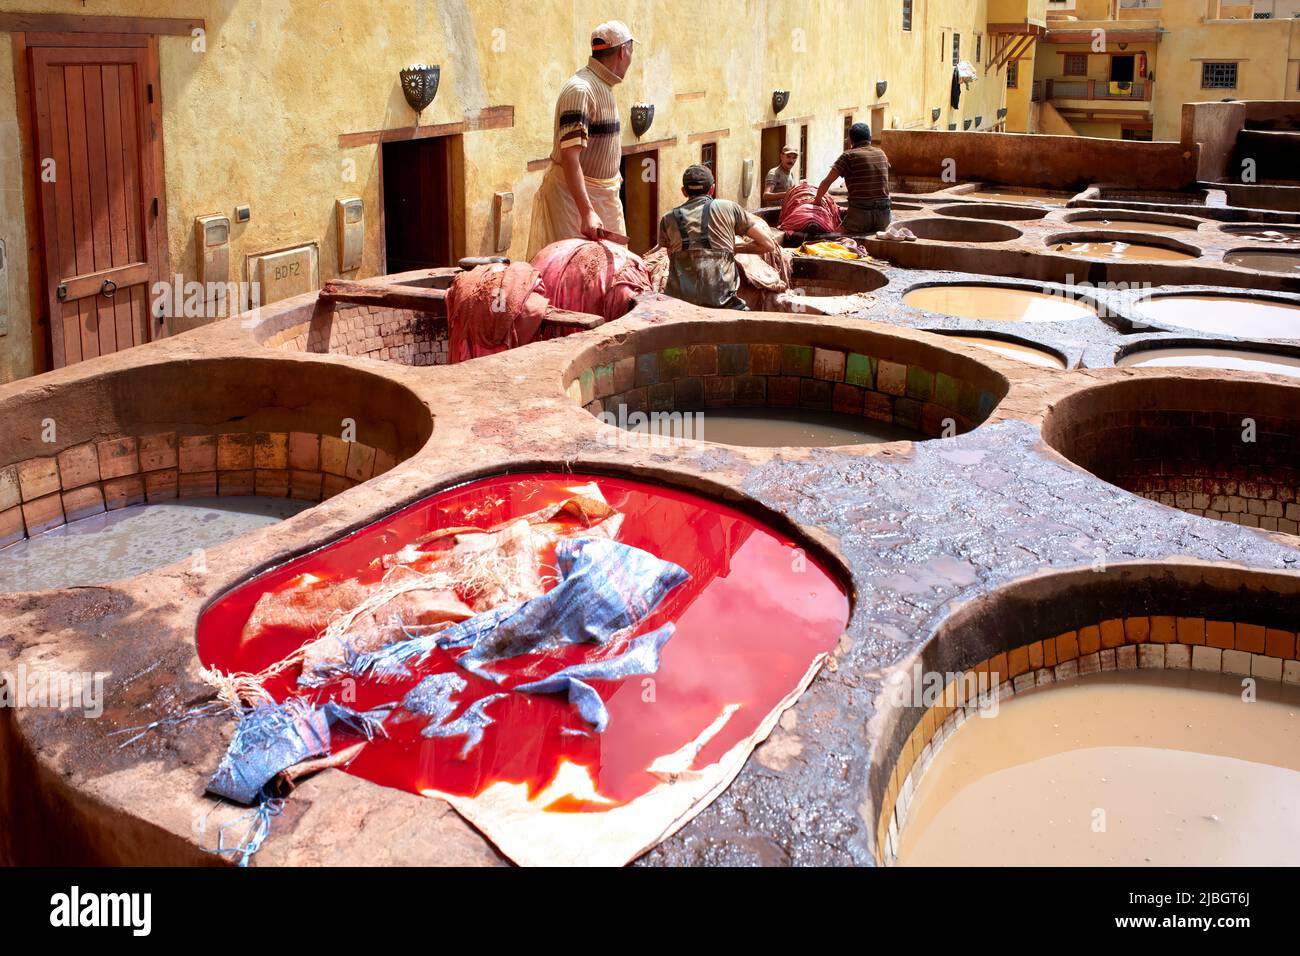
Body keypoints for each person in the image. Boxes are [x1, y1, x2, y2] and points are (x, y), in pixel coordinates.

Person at [527, 20, 635, 258]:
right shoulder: (581, 90)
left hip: (604, 195)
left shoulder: (603, 86)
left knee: (617, 269)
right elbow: (570, 157)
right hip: (574, 199)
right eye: (631, 51)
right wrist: (586, 212)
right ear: (622, 51)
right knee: (577, 269)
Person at [659, 165, 776, 310]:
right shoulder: (730, 208)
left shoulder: (668, 219)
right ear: (712, 189)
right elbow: (767, 244)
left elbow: (672, 256)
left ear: (684, 191)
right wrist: (732, 248)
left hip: (680, 304)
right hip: (724, 303)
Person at [813, 122, 892, 235]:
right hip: (884, 217)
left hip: (861, 215)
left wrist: (816, 201)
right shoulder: (881, 154)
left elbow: (827, 182)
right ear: (869, 138)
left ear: (850, 139)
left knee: (833, 236)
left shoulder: (848, 156)